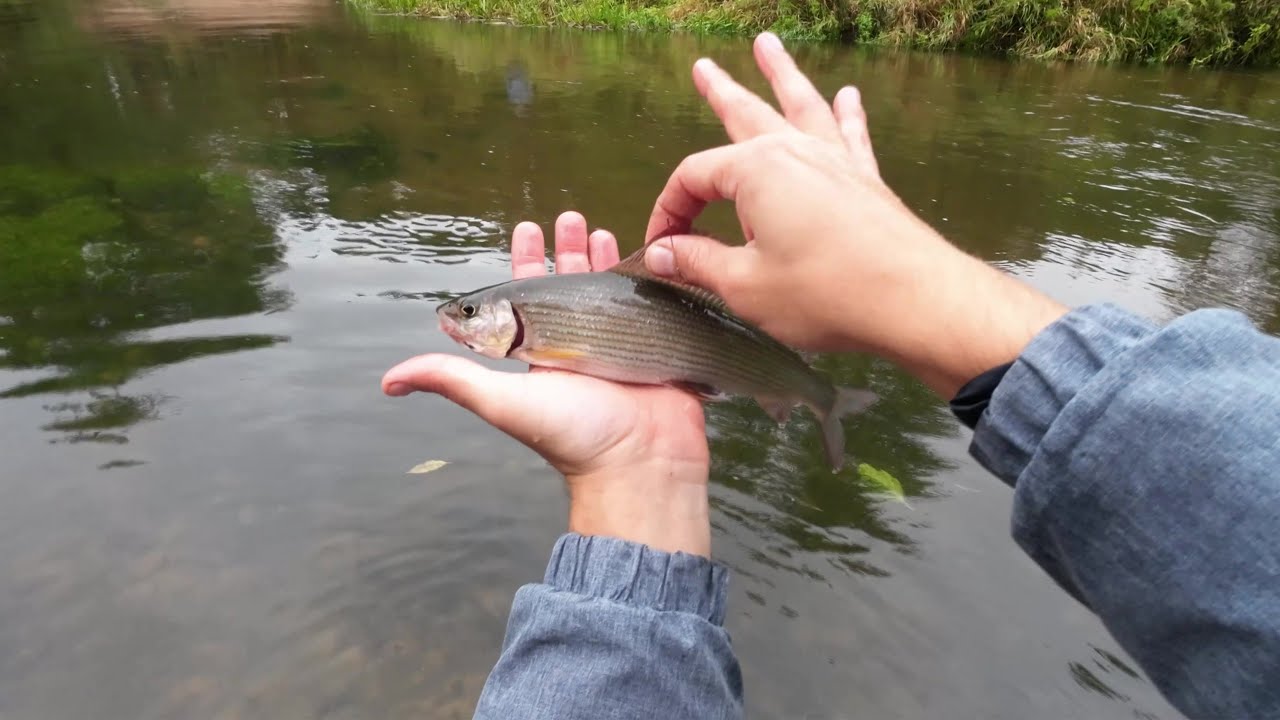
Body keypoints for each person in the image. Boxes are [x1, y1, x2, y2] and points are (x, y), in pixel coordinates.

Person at [381, 32, 1280, 720]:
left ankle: (822, 400)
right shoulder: (551, 326)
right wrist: (913, 286)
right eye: (467, 315)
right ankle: (825, 396)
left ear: (506, 324)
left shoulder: (550, 327)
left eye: (467, 315)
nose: (460, 325)